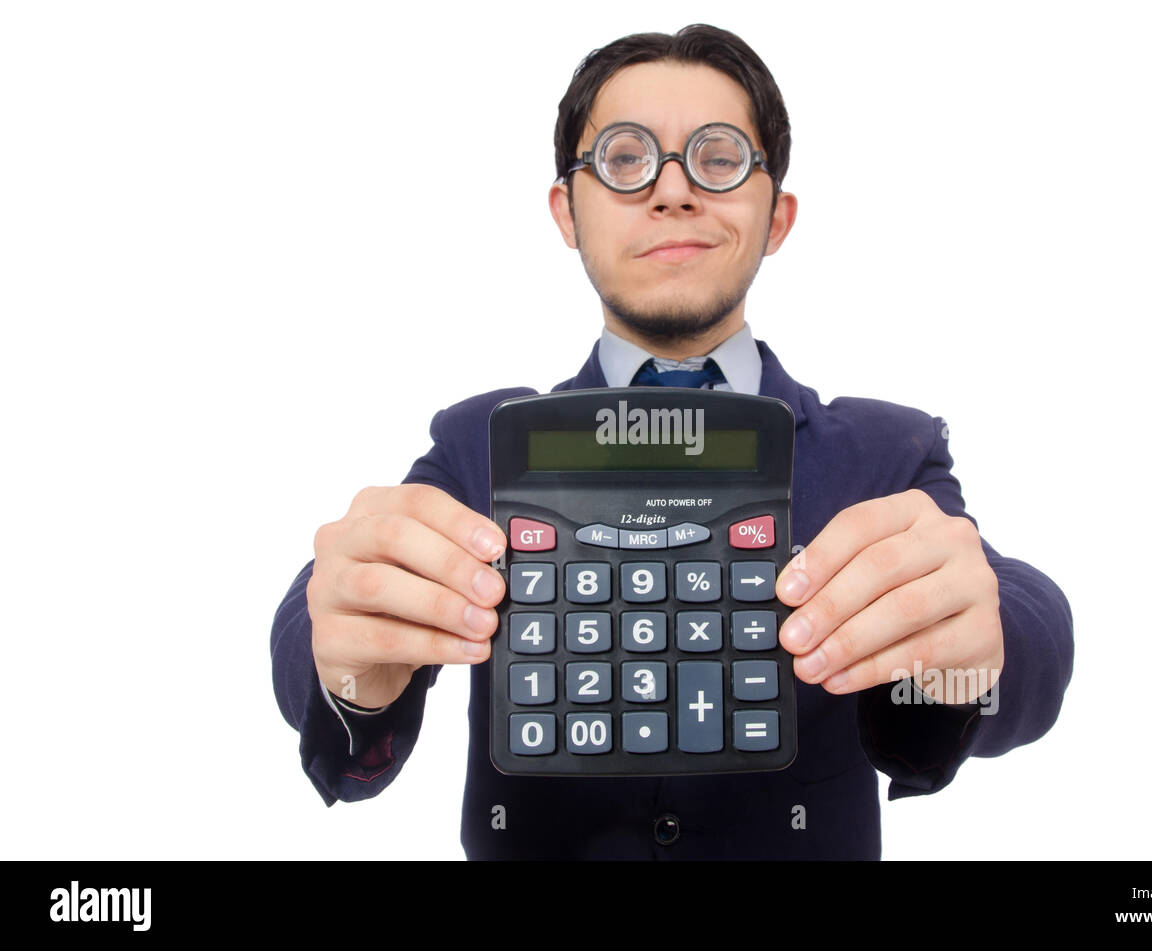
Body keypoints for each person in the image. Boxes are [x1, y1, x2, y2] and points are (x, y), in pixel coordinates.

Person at [270, 23, 1073, 860]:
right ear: (566, 212)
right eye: (624, 159)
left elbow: (1020, 639)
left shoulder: (885, 451)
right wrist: (347, 669)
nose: (672, 191)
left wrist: (984, 649)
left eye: (719, 159)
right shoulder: (482, 442)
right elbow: (320, 638)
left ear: (777, 217)